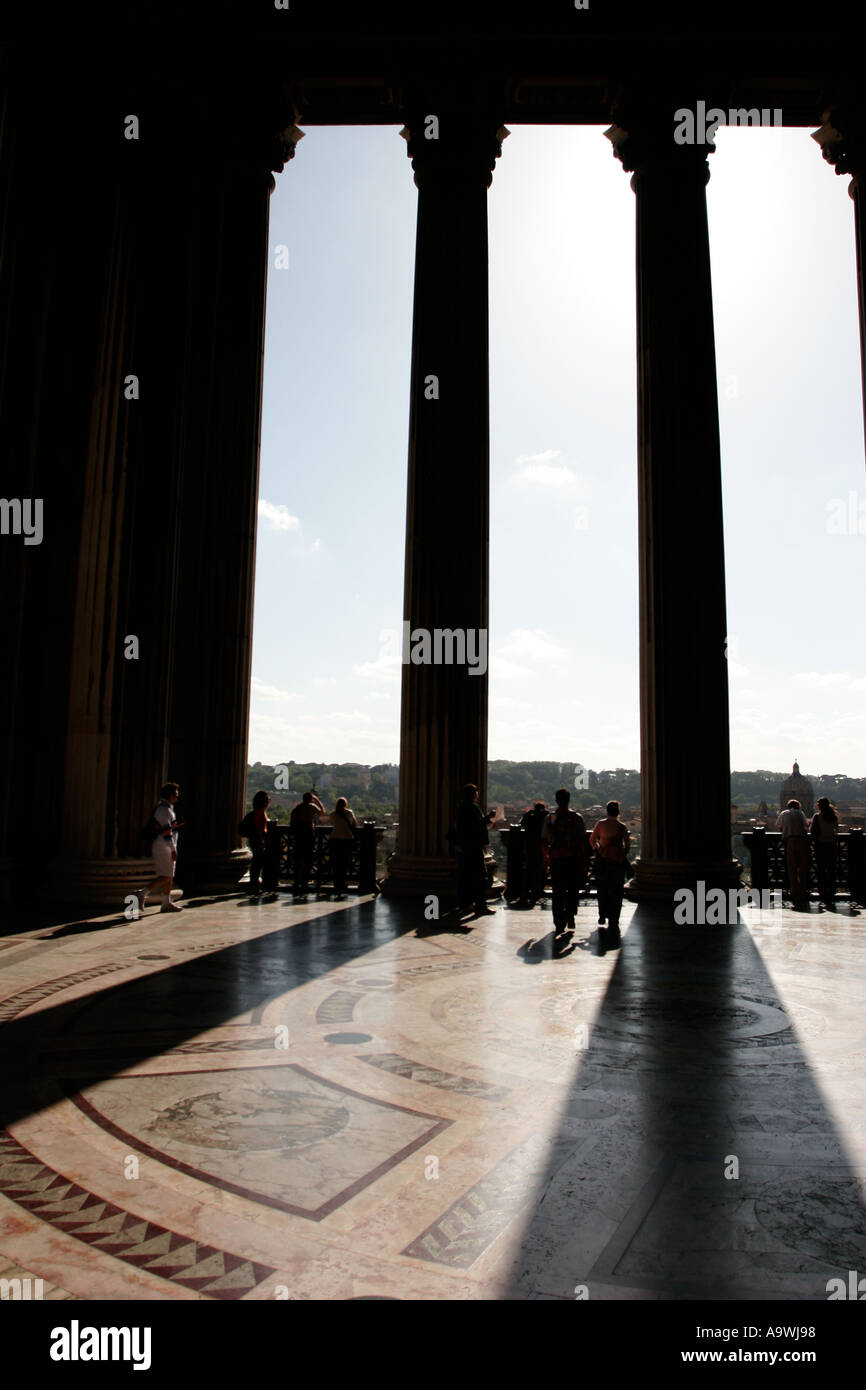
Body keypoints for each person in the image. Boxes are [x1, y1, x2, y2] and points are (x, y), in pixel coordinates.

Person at [542, 788, 587, 936]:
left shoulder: (550, 818)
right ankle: (570, 913)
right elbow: (582, 841)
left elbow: (544, 839)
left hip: (556, 858)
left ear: (556, 800)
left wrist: (546, 857)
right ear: (569, 800)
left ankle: (559, 922)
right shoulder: (577, 818)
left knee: (558, 891)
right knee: (573, 889)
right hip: (573, 858)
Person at [136, 782, 184, 915]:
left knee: (169, 875)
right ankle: (142, 893)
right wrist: (173, 849)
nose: (177, 797)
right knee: (166, 876)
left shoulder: (166, 809)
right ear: (169, 795)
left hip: (165, 846)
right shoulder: (163, 810)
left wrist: (175, 824)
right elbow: (166, 833)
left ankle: (166, 902)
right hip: (164, 848)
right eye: (175, 794)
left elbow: (166, 828)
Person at [590, 801, 630, 948]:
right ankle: (615, 919)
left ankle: (602, 915)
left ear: (607, 811)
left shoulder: (600, 824)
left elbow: (592, 840)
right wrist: (620, 854)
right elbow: (627, 846)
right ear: (618, 812)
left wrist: (599, 849)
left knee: (603, 889)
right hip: (617, 864)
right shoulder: (622, 827)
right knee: (617, 891)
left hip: (603, 862)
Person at [456, 783, 495, 917]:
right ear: (474, 794)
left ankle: (466, 904)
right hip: (474, 846)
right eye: (477, 793)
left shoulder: (461, 807)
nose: (478, 795)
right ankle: (480, 905)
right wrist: (488, 817)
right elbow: (476, 825)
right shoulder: (473, 808)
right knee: (479, 876)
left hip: (465, 846)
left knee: (466, 876)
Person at [290, 790, 325, 899]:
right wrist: (317, 800)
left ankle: (296, 884)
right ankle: (304, 885)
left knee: (297, 861)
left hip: (298, 836)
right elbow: (322, 812)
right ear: (310, 799)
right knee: (307, 861)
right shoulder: (312, 807)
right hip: (308, 835)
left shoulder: (297, 808)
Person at [777, 798, 810, 909]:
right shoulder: (801, 813)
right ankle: (803, 889)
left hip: (790, 841)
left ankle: (793, 890)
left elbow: (779, 826)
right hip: (801, 841)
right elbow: (806, 826)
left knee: (791, 866)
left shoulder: (784, 813)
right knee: (802, 866)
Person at [809, 796, 838, 906]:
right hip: (832, 844)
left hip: (821, 845)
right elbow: (836, 829)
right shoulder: (833, 816)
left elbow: (812, 831)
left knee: (821, 870)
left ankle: (822, 893)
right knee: (831, 869)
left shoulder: (817, 816)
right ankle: (831, 892)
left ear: (819, 806)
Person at [328, 796, 358, 898]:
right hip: (347, 840)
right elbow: (354, 824)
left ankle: (336, 884)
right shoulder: (349, 813)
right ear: (345, 804)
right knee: (344, 863)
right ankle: (343, 883)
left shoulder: (333, 814)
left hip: (335, 840)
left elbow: (332, 824)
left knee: (336, 863)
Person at [520, 800, 548, 905]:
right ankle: (538, 889)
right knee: (540, 867)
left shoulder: (529, 815)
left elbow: (522, 823)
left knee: (529, 867)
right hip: (540, 844)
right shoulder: (545, 815)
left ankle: (527, 890)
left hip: (529, 844)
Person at [246, 790, 272, 895]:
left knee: (257, 863)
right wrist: (262, 839)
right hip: (258, 841)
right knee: (257, 863)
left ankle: (254, 884)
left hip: (255, 840)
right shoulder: (260, 813)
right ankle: (254, 885)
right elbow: (259, 827)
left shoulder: (258, 811)